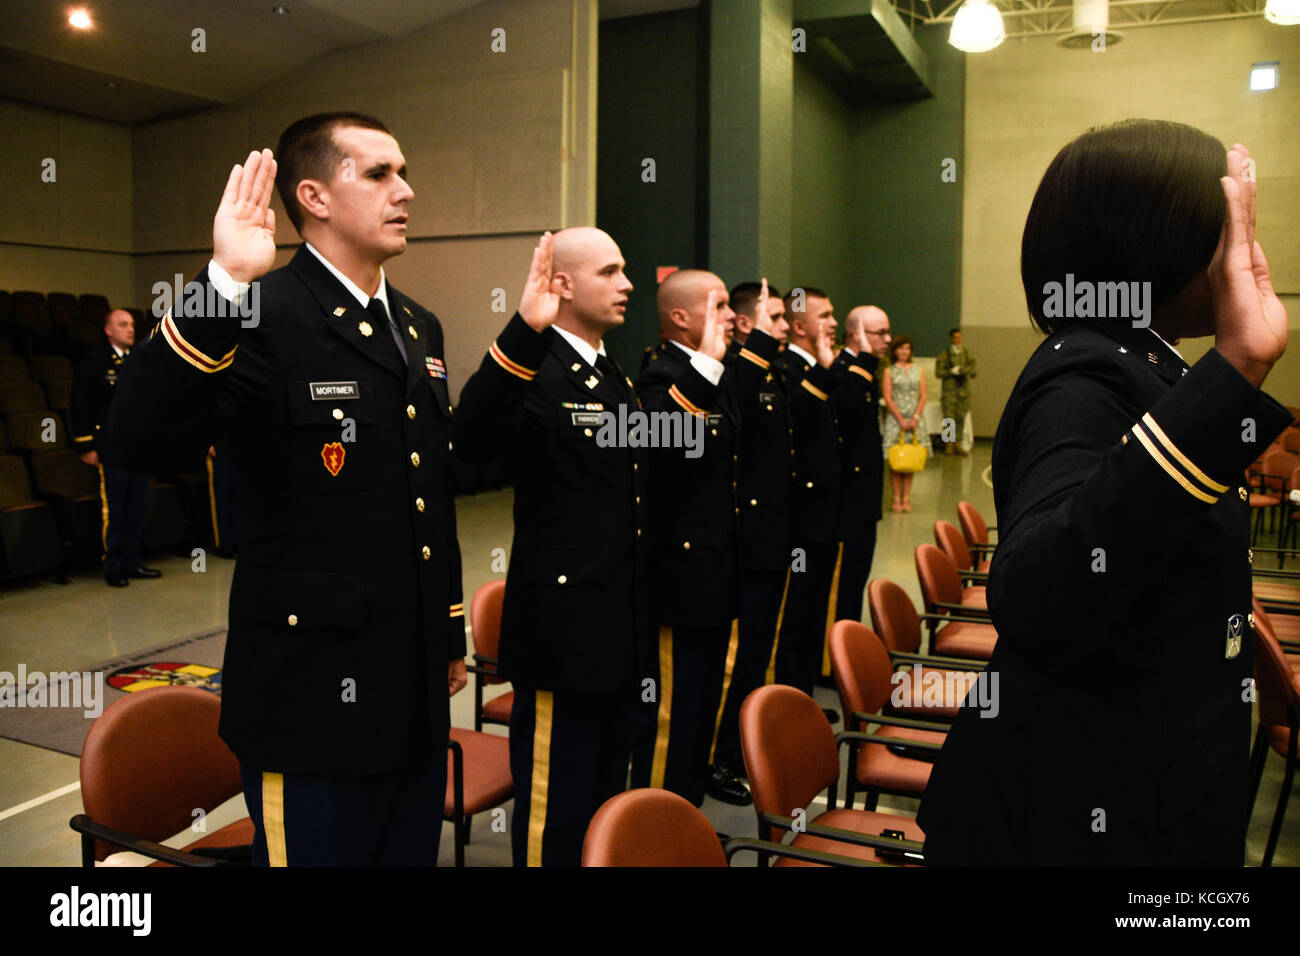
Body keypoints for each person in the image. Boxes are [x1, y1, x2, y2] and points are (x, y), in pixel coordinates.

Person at [917, 121, 1290, 865]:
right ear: (1160, 246)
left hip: (1144, 787)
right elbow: (1036, 593)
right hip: (1077, 811)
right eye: (1228, 235)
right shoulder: (1085, 372)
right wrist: (1238, 365)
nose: (1247, 259)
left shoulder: (1152, 367)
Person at [109, 113, 467, 866]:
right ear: (314, 196)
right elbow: (141, 439)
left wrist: (451, 630)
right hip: (310, 702)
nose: (405, 191)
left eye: (403, 172)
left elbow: (429, 492)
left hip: (413, 689)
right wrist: (220, 285)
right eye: (377, 174)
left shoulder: (417, 325)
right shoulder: (259, 312)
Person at [453, 227, 648, 867]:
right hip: (564, 633)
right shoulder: (535, 367)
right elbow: (472, 442)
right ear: (562, 284)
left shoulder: (609, 371)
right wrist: (522, 332)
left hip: (619, 622)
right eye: (611, 272)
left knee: (600, 797)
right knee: (553, 810)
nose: (627, 284)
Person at [630, 272, 779, 808]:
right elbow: (666, 443)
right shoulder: (659, 376)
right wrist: (716, 362)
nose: (729, 316)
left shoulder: (714, 374)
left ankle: (685, 818)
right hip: (678, 584)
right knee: (671, 720)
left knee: (700, 713)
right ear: (680, 318)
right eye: (717, 306)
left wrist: (755, 335)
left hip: (715, 579)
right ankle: (651, 831)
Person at [709, 281, 791, 794]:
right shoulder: (732, 371)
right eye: (775, 318)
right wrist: (758, 341)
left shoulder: (769, 369)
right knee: (734, 663)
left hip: (772, 538)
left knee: (758, 652)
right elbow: (735, 400)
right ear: (746, 323)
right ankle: (717, 756)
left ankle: (744, 745)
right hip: (745, 540)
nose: (784, 327)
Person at [772, 287, 841, 706]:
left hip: (824, 515)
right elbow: (798, 421)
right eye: (826, 315)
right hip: (799, 518)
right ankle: (788, 704)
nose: (834, 323)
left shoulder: (820, 367)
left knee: (813, 612)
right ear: (799, 326)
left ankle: (804, 700)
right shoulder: (785, 370)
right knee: (793, 620)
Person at [71, 308, 160, 587]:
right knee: (115, 510)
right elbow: (81, 403)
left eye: (132, 325)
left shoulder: (140, 360)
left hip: (139, 449)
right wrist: (86, 444)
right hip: (110, 448)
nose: (130, 330)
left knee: (136, 508)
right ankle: (114, 565)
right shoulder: (95, 361)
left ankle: (133, 562)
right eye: (123, 325)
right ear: (108, 330)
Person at [829, 306, 890, 622]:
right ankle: (839, 657)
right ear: (856, 334)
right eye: (880, 333)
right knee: (843, 589)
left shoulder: (865, 370)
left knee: (855, 583)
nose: (888, 339)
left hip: (864, 503)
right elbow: (846, 410)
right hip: (847, 505)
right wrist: (864, 362)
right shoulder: (843, 370)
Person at [881, 334, 926, 513]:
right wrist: (900, 419)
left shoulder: (918, 370)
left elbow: (923, 395)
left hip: (915, 419)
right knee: (896, 460)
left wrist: (915, 417)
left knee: (910, 460)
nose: (904, 351)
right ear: (895, 351)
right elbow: (887, 396)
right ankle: (896, 498)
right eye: (901, 348)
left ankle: (906, 498)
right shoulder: (889, 370)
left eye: (907, 348)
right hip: (895, 419)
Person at [934, 327, 976, 456]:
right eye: (955, 337)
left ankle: (957, 443)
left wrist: (964, 370)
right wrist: (950, 372)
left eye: (959, 337)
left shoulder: (965, 353)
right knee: (949, 418)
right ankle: (949, 444)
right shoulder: (945, 354)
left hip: (962, 392)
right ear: (951, 338)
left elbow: (972, 369)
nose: (958, 340)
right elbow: (939, 372)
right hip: (949, 392)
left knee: (960, 418)